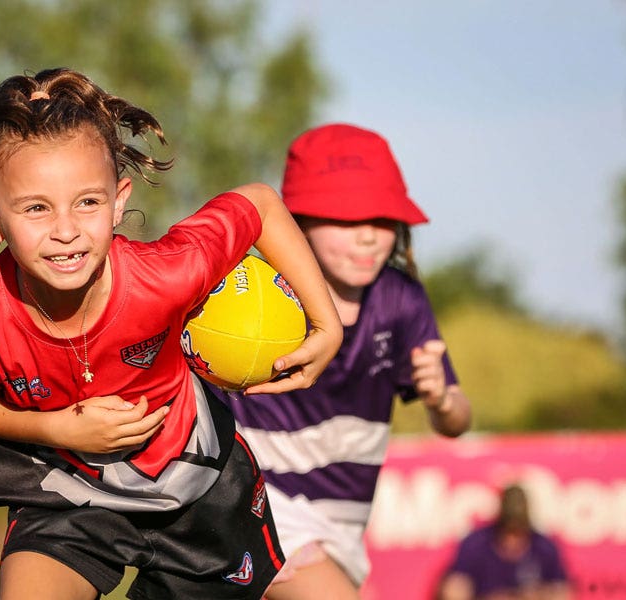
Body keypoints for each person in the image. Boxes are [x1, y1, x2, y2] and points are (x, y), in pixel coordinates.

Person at [0, 68, 343, 600]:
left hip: (196, 486)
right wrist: (59, 431)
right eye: (35, 208)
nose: (65, 229)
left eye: (87, 202)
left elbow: (259, 203)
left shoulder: (167, 274)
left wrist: (326, 322)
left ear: (118, 200)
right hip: (67, 489)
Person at [218, 123, 473, 600]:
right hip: (260, 504)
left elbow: (457, 422)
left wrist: (441, 398)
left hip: (343, 527)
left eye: (381, 220)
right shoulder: (254, 296)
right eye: (346, 220)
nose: (368, 239)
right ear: (295, 223)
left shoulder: (401, 300)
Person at [438, 484, 571, 600]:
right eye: (508, 531)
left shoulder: (544, 548)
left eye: (518, 531)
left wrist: (534, 595)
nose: (512, 539)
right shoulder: (475, 545)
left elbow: (562, 592)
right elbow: (453, 590)